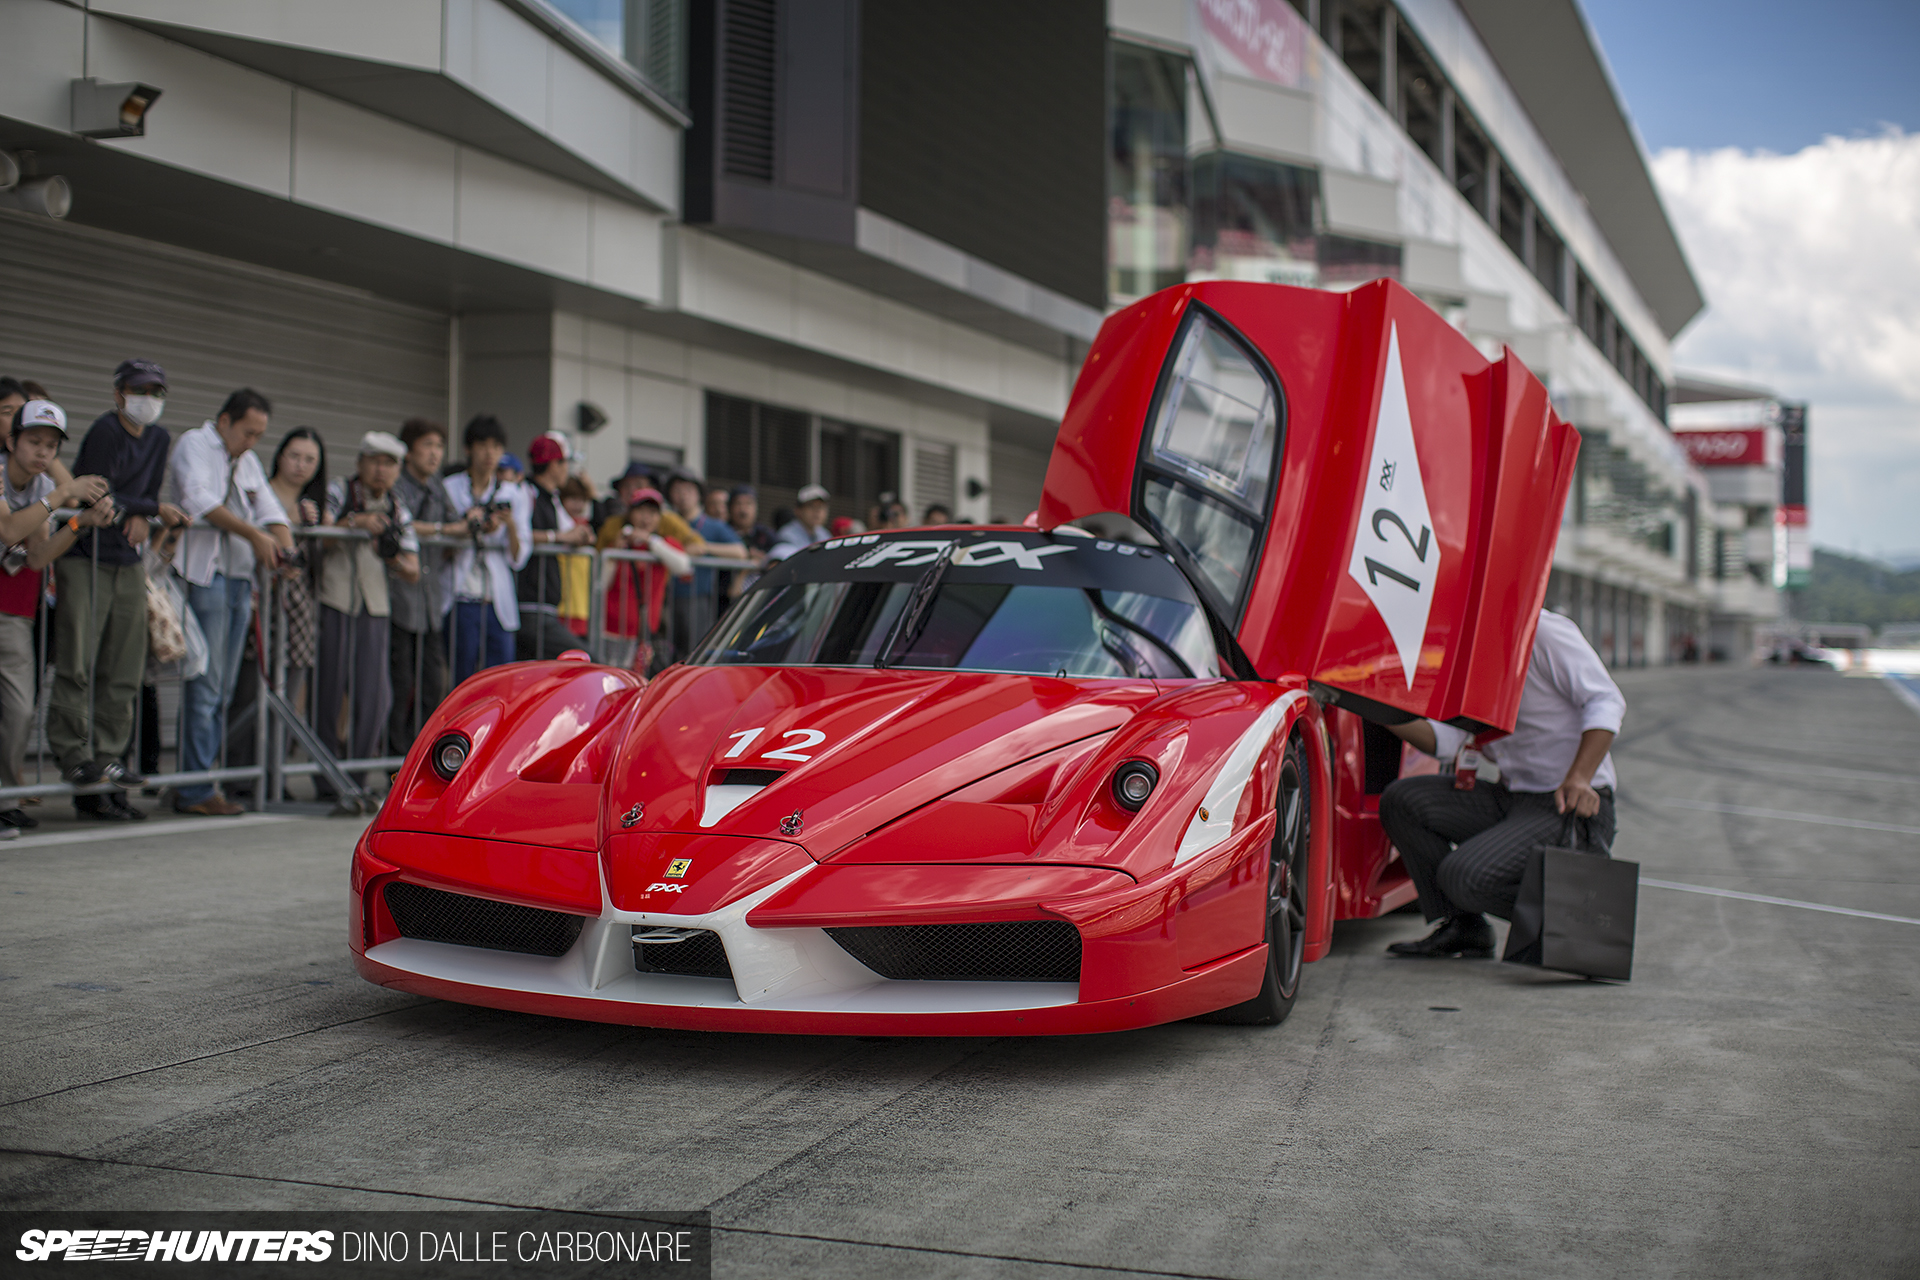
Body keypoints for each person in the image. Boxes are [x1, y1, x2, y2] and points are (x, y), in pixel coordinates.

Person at [1377, 608, 1625, 957]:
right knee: (1403, 801)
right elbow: (1447, 740)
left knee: (1462, 875)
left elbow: (1606, 700)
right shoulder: (1463, 648)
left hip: (1570, 804)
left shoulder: (1543, 632)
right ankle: (1465, 927)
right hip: (1514, 799)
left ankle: (1575, 920)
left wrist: (1581, 777)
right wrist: (1373, 703)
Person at [50, 359, 187, 821]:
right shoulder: (106, 431)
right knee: (78, 662)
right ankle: (75, 758)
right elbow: (97, 494)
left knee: (125, 669)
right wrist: (149, 508)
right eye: (140, 388)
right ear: (119, 393)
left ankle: (110, 760)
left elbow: (134, 502)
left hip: (127, 561)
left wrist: (140, 511)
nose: (149, 398)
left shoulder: (160, 438)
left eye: (157, 390)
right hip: (85, 555)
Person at [167, 388, 291, 816]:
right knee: (206, 686)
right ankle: (195, 789)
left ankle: (194, 780)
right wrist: (255, 535)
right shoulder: (194, 445)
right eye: (247, 432)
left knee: (220, 690)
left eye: (259, 434)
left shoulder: (249, 460)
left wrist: (283, 543)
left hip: (240, 580)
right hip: (207, 576)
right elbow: (199, 500)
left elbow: (270, 508)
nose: (252, 441)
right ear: (224, 421)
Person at [0, 401, 115, 834]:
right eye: (33, 441)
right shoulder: (23, 483)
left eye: (51, 445)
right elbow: (8, 530)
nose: (42, 453)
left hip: (12, 610)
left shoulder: (40, 490)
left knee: (19, 708)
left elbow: (35, 558)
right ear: (12, 441)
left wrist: (79, 522)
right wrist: (61, 496)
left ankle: (7, 797)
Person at [315, 432, 420, 791]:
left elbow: (413, 568)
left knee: (374, 697)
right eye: (374, 461)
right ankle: (325, 778)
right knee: (327, 692)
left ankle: (356, 778)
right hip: (336, 597)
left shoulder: (398, 506)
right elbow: (318, 535)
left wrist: (391, 553)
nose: (381, 470)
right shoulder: (339, 492)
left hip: (375, 604)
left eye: (389, 464)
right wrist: (354, 523)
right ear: (360, 463)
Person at [442, 416, 527, 682]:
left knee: (500, 679)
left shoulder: (515, 494)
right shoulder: (450, 488)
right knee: (462, 678)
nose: (490, 453)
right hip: (460, 593)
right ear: (468, 449)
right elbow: (442, 544)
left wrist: (509, 525)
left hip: (497, 598)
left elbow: (519, 556)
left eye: (496, 446)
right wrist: (469, 528)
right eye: (482, 445)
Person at [389, 418, 455, 754]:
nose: (434, 454)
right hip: (400, 600)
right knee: (399, 687)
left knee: (432, 687)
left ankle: (421, 761)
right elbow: (402, 525)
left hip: (431, 604)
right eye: (427, 445)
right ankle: (392, 762)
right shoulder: (396, 484)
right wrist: (445, 528)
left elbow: (456, 527)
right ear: (409, 450)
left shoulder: (438, 487)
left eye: (439, 446)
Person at [517, 434, 595, 660]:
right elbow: (516, 536)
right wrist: (559, 536)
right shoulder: (525, 492)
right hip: (529, 606)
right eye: (564, 463)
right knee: (586, 659)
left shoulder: (551, 498)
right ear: (553, 464)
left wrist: (579, 536)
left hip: (546, 607)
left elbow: (576, 533)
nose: (567, 470)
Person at [599, 488, 690, 673]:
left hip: (643, 634)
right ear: (630, 514)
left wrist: (650, 541)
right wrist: (615, 553)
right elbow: (601, 583)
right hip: (610, 630)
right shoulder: (617, 543)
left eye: (652, 513)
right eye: (640, 511)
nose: (646, 518)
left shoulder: (663, 543)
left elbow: (683, 566)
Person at [665, 469, 744, 655]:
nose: (683, 496)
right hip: (668, 597)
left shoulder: (712, 525)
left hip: (698, 597)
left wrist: (705, 548)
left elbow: (740, 552)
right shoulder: (667, 523)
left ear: (699, 494)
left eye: (688, 490)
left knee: (694, 651)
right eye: (677, 491)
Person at [558, 476, 594, 638]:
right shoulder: (559, 525)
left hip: (581, 607)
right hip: (561, 606)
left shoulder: (585, 525)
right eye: (572, 499)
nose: (578, 505)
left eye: (582, 500)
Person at [769, 484, 832, 561]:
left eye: (821, 507)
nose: (817, 511)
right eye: (811, 506)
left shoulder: (825, 534)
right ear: (798, 510)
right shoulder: (787, 535)